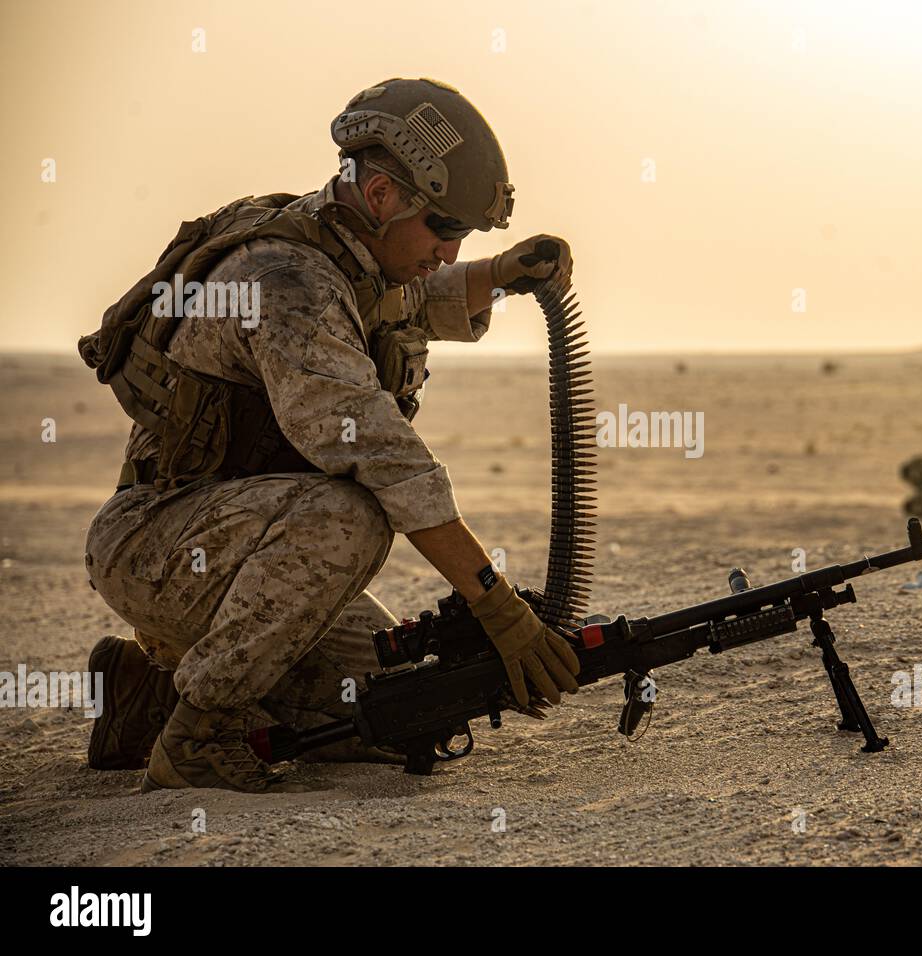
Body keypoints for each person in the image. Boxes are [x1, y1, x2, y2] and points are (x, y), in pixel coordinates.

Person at [81, 78, 581, 793]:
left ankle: (145, 693)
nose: (449, 249)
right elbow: (388, 462)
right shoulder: (285, 280)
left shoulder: (348, 248)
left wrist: (501, 274)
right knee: (349, 519)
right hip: (160, 544)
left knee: (384, 696)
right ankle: (196, 734)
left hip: (237, 549)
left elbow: (407, 297)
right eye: (444, 228)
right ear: (381, 196)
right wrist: (497, 606)